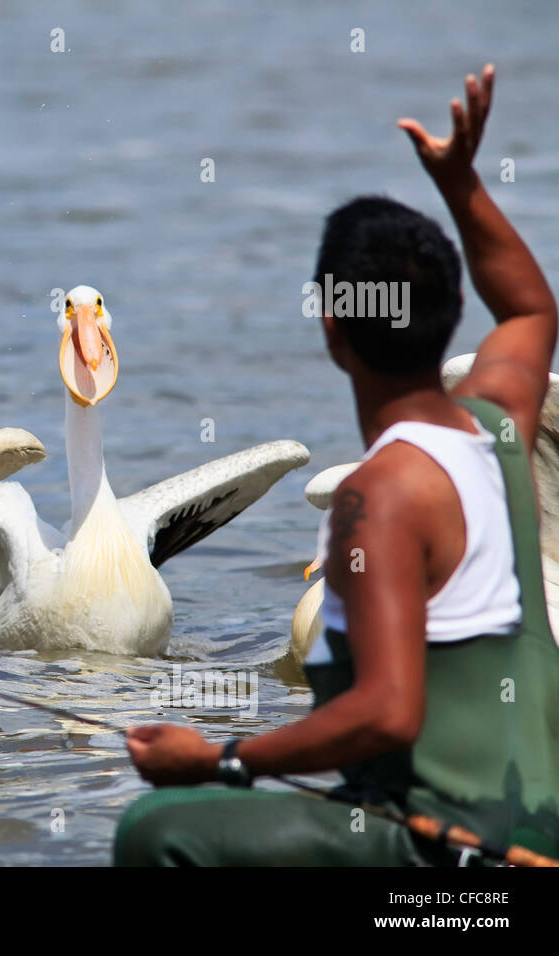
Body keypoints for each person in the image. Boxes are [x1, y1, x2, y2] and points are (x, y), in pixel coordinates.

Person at [115, 64, 559, 866]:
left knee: (158, 831)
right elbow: (530, 307)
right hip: (540, 830)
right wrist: (460, 185)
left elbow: (388, 711)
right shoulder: (499, 427)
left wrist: (221, 759)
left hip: (452, 858)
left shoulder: (377, 497)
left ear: (331, 330)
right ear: (454, 312)